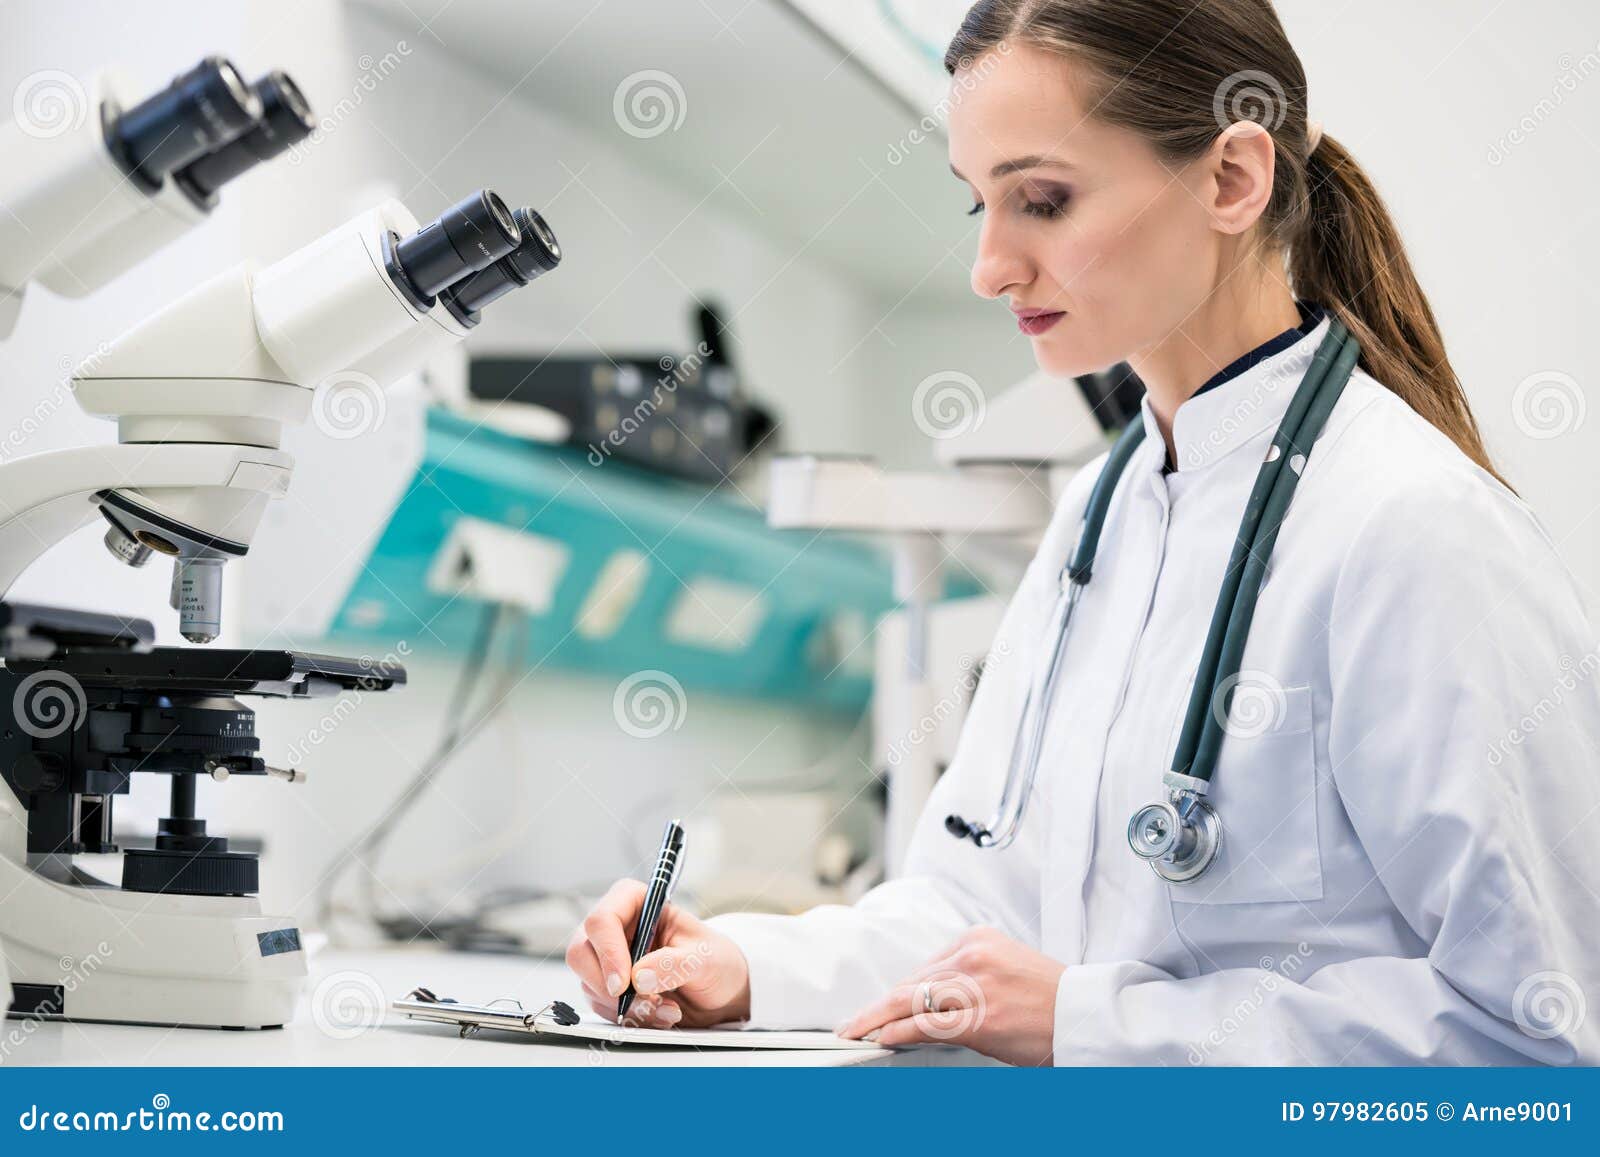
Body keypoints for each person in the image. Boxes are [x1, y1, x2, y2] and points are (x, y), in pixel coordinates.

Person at [566, 0, 1600, 1065]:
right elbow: (980, 909)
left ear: (1231, 180)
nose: (989, 265)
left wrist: (1093, 1020)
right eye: (979, 204)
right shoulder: (1099, 512)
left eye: (1042, 201)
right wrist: (752, 969)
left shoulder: (1412, 529)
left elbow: (1541, 1042)